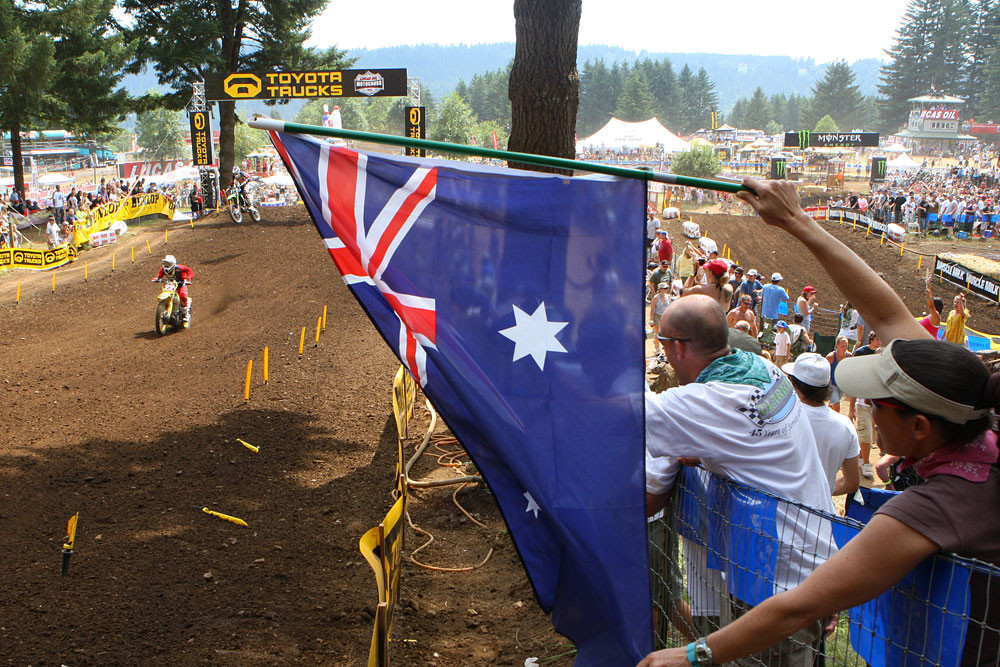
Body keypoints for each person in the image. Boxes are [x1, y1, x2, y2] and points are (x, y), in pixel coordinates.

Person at [637, 175, 1000, 667]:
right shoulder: (970, 404)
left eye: (876, 400)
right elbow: (888, 312)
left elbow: (801, 605)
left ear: (919, 428)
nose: (863, 405)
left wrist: (694, 656)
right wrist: (796, 221)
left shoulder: (933, 508)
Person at [645, 295, 836, 667]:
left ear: (679, 348)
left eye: (664, 343)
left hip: (774, 580)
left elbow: (613, 420)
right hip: (810, 562)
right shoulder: (766, 369)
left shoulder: (705, 402)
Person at [781, 353, 860, 496]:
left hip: (781, 509)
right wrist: (823, 491)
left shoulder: (781, 417)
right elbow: (852, 482)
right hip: (821, 513)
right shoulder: (845, 426)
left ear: (793, 383)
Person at [849, 331, 882, 479]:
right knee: (866, 435)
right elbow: (855, 384)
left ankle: (860, 458)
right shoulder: (862, 353)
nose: (879, 342)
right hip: (862, 404)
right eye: (877, 339)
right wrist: (851, 409)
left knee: (871, 437)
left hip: (876, 406)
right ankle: (867, 464)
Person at [152, 254, 194, 323]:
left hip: (181, 284)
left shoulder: (180, 268)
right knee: (166, 292)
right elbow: (160, 274)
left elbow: (189, 271)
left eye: (169, 264)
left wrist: (188, 279)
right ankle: (168, 308)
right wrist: (158, 278)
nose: (167, 265)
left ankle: (186, 314)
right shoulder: (163, 269)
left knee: (183, 296)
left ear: (173, 264)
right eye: (165, 263)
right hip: (171, 284)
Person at [760, 273, 788, 346]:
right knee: (772, 331)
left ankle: (762, 343)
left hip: (764, 313)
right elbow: (786, 298)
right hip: (773, 315)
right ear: (779, 281)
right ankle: (770, 345)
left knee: (763, 329)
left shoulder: (765, 287)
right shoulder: (781, 290)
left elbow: (762, 296)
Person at [649, 283, 671, 360]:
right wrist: (651, 319)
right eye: (664, 288)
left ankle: (665, 347)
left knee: (666, 333)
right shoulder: (656, 298)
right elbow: (652, 309)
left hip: (665, 316)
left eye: (666, 288)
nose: (666, 290)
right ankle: (657, 348)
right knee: (658, 332)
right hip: (657, 316)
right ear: (660, 289)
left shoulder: (668, 297)